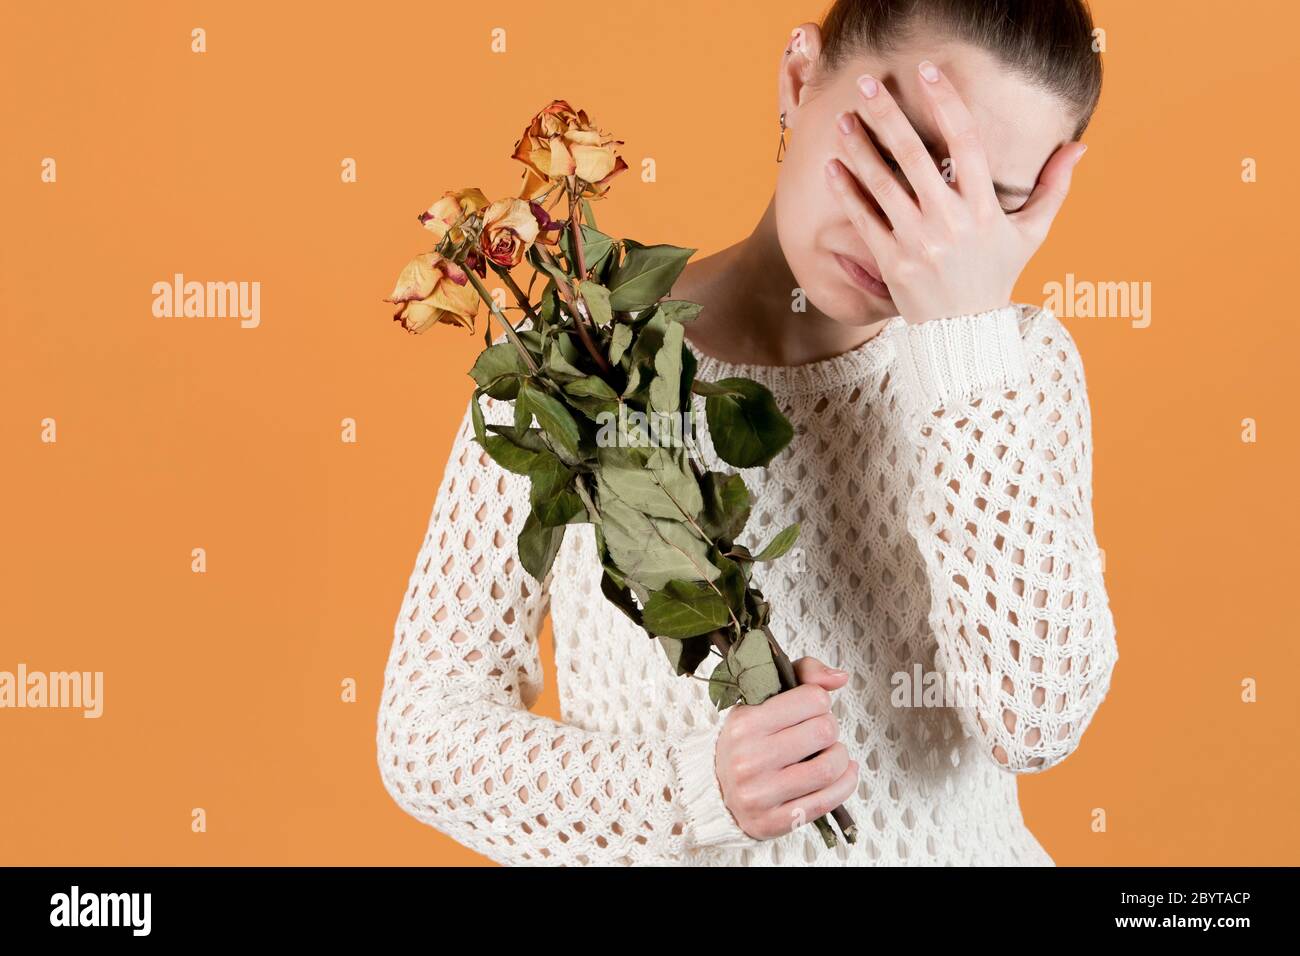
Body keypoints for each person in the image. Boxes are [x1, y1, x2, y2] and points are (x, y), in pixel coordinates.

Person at [376, 0, 1119, 866]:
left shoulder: (1013, 371)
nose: (912, 236)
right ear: (799, 80)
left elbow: (1036, 718)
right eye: (895, 158)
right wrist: (689, 790)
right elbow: (426, 731)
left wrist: (964, 344)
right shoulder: (572, 362)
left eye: (982, 206)